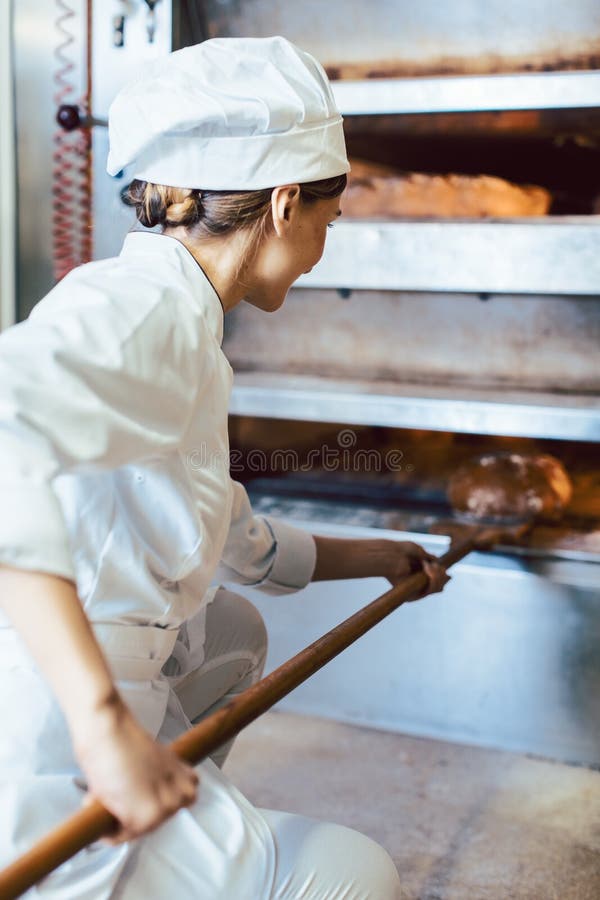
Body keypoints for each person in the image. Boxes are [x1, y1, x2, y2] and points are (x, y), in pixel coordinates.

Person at [0, 36, 449, 898]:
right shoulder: (146, 314)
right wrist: (102, 728)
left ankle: (180, 832)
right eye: (329, 220)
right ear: (284, 204)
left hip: (97, 666)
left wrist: (378, 555)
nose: (323, 245)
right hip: (44, 721)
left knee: (232, 630)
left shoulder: (181, 314)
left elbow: (229, 534)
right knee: (358, 875)